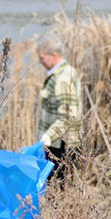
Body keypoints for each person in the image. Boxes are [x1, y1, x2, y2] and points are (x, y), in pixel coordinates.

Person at [35, 35, 83, 185]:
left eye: (42, 58)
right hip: (60, 142)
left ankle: (60, 209)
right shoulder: (65, 72)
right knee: (60, 187)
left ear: (54, 55)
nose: (40, 62)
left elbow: (69, 116)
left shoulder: (62, 78)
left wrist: (47, 137)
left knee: (56, 186)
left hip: (60, 143)